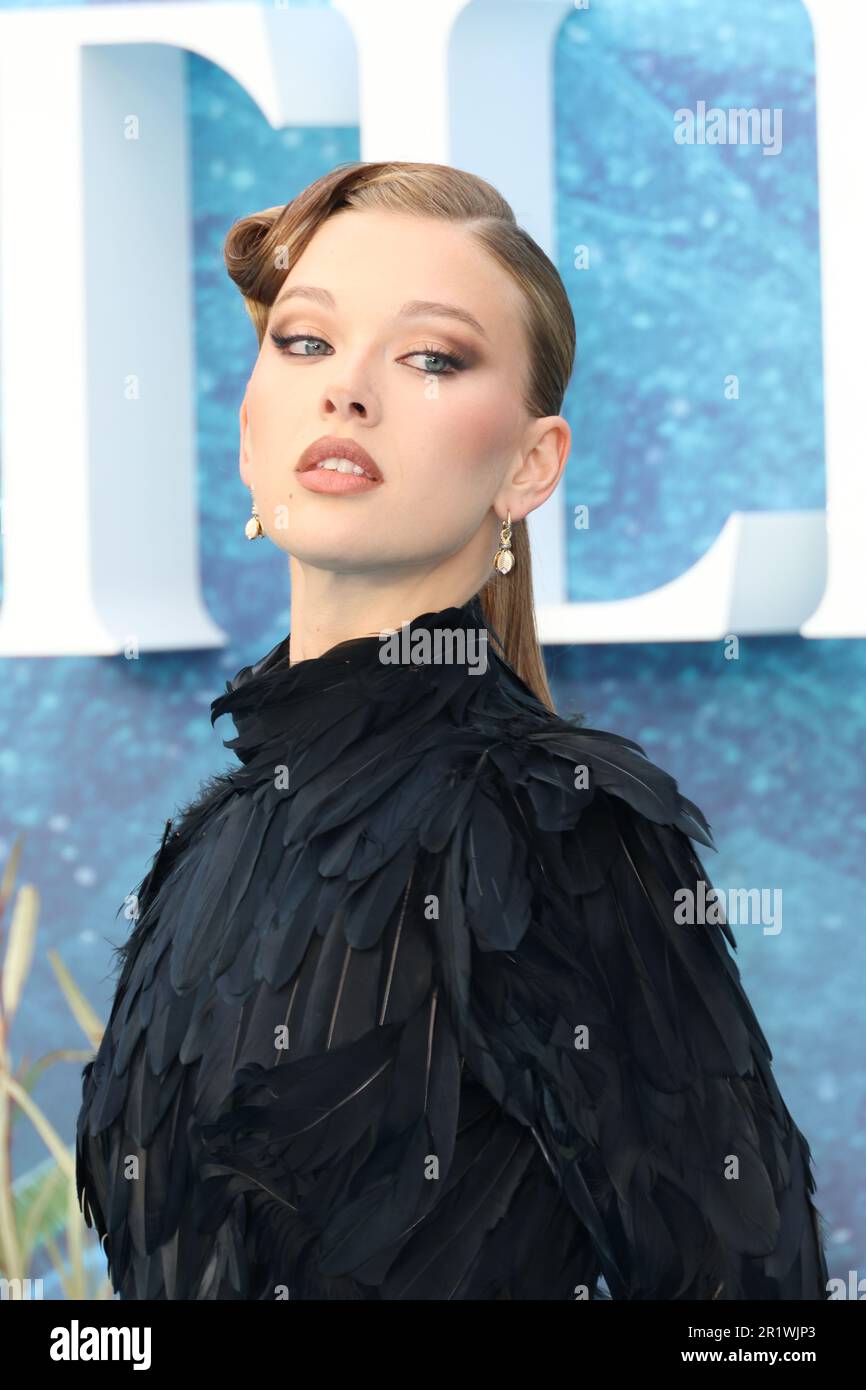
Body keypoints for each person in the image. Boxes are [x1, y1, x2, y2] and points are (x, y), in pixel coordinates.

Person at [76, 160, 830, 1300]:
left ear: (530, 466)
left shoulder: (558, 826)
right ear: (245, 432)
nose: (349, 392)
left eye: (430, 357)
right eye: (305, 342)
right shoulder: (200, 855)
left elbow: (748, 1308)